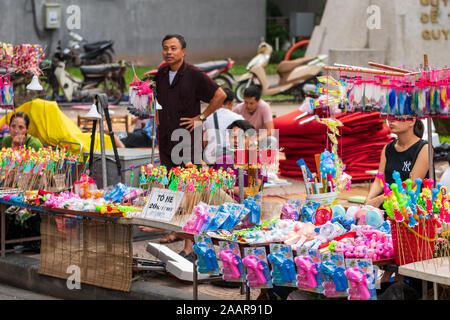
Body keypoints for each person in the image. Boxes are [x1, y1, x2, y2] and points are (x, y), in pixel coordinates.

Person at [138, 34, 226, 260]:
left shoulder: (195, 75)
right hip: (167, 142)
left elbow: (220, 95)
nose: (169, 52)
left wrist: (202, 117)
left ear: (183, 51)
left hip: (188, 142)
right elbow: (157, 104)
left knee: (190, 194)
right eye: (165, 48)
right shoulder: (161, 74)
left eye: (173, 48)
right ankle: (185, 241)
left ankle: (191, 248)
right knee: (175, 192)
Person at [365, 117, 430, 209]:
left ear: (411, 121)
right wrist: (369, 200)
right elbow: (379, 181)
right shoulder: (388, 148)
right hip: (387, 208)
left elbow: (410, 186)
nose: (391, 120)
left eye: (397, 117)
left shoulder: (424, 149)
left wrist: (379, 199)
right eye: (390, 116)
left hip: (411, 212)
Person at [214, 120, 265, 201]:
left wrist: (228, 188)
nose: (236, 141)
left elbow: (251, 192)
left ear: (251, 139)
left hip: (243, 207)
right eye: (233, 137)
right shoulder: (222, 161)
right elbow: (215, 186)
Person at [202, 87, 244, 165]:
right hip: (233, 159)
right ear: (231, 103)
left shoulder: (206, 118)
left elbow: (204, 143)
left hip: (212, 160)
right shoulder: (239, 118)